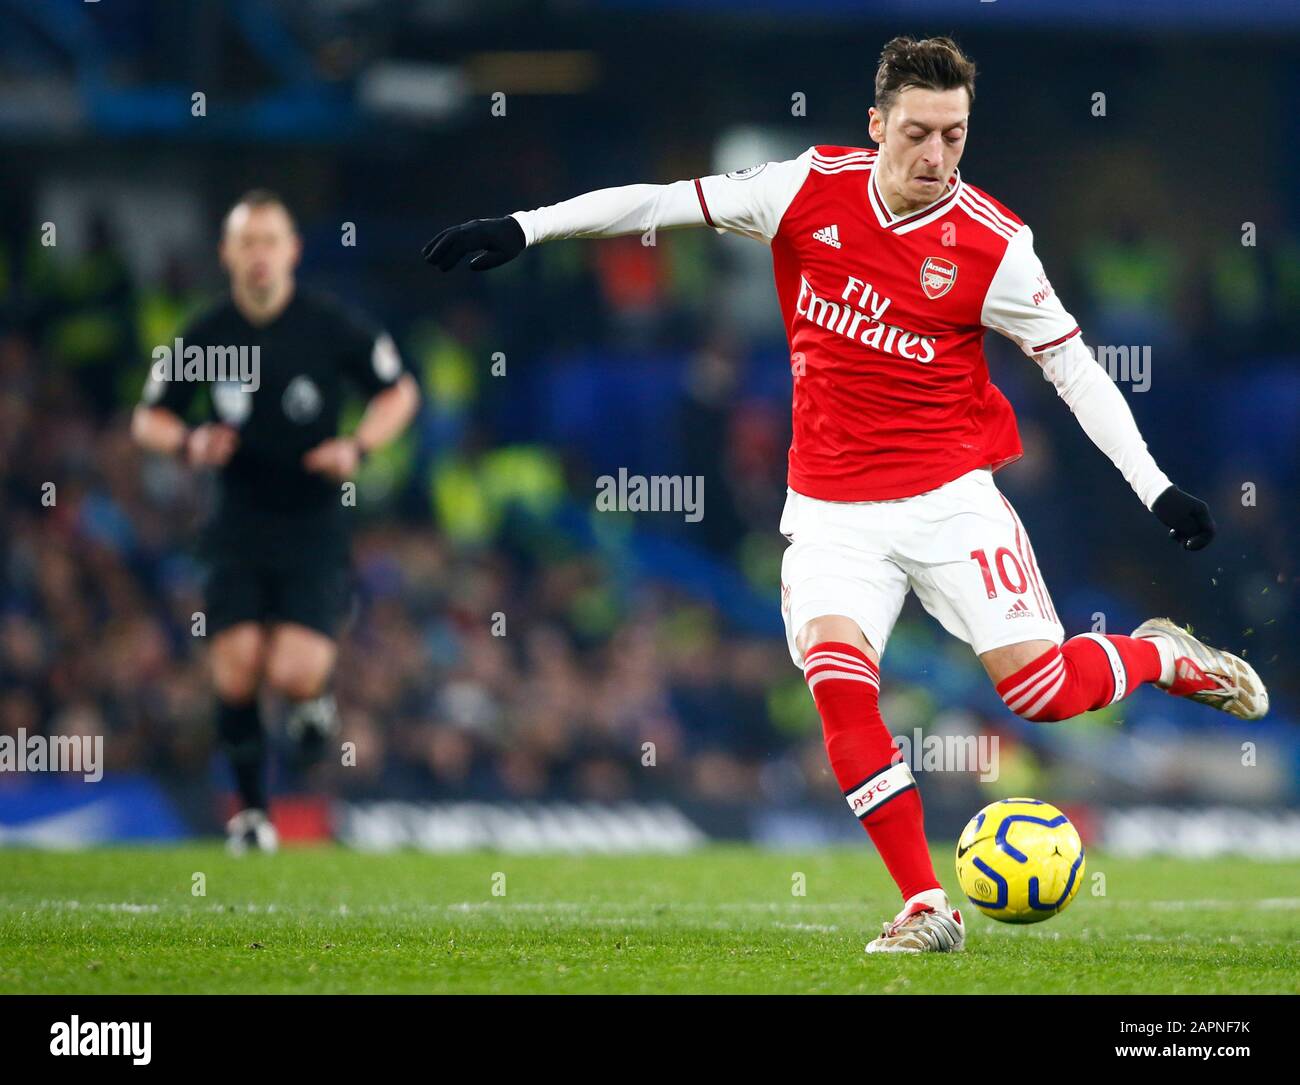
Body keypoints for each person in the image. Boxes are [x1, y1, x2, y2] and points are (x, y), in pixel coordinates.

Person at [420, 37, 1268, 951]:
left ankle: (1165, 658)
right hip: (830, 513)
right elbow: (661, 204)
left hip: (950, 499)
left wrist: (1157, 489)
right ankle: (924, 905)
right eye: (917, 132)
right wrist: (523, 226)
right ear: (877, 126)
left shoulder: (994, 244)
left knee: (1042, 692)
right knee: (838, 682)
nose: (936, 155)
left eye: (954, 134)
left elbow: (1076, 372)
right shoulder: (805, 189)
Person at [133, 191, 420, 854]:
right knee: (234, 672)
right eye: (247, 242)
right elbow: (147, 417)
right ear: (228, 254)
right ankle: (252, 816)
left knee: (290, 672)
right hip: (236, 521)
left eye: (271, 240)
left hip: (313, 523)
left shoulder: (327, 326)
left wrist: (358, 447)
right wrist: (188, 443)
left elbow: (399, 390)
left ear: (291, 251)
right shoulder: (205, 335)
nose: (259, 254)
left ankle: (314, 698)